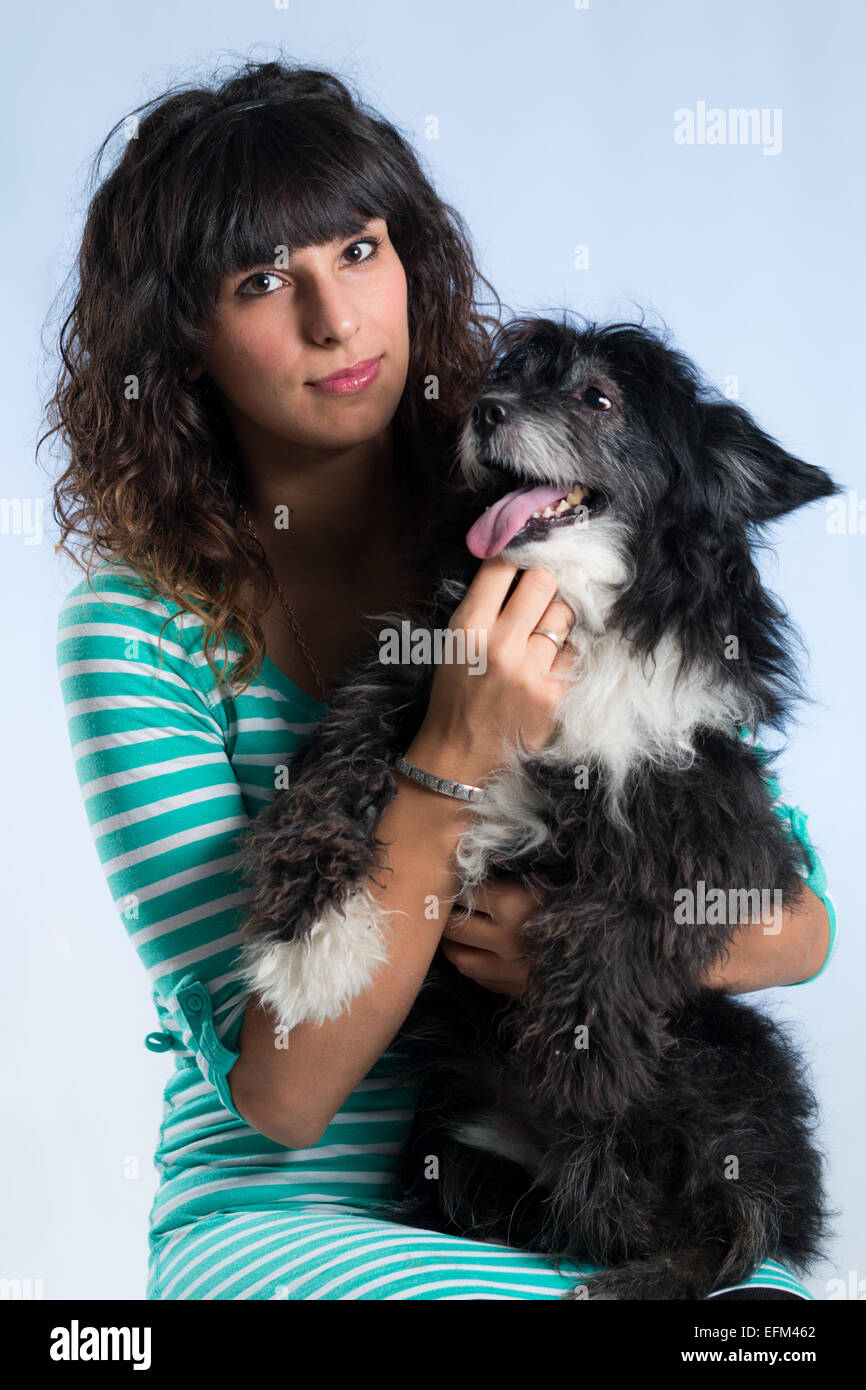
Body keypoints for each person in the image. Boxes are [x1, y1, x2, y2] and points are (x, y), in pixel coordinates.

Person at [48, 58, 836, 1300]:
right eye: (262, 281)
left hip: (576, 1191)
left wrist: (575, 947)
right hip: (284, 1219)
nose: (334, 319)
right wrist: (452, 756)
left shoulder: (556, 521)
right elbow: (286, 1093)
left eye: (358, 251)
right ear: (179, 341)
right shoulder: (139, 631)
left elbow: (797, 926)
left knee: (764, 1318)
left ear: (409, 256)